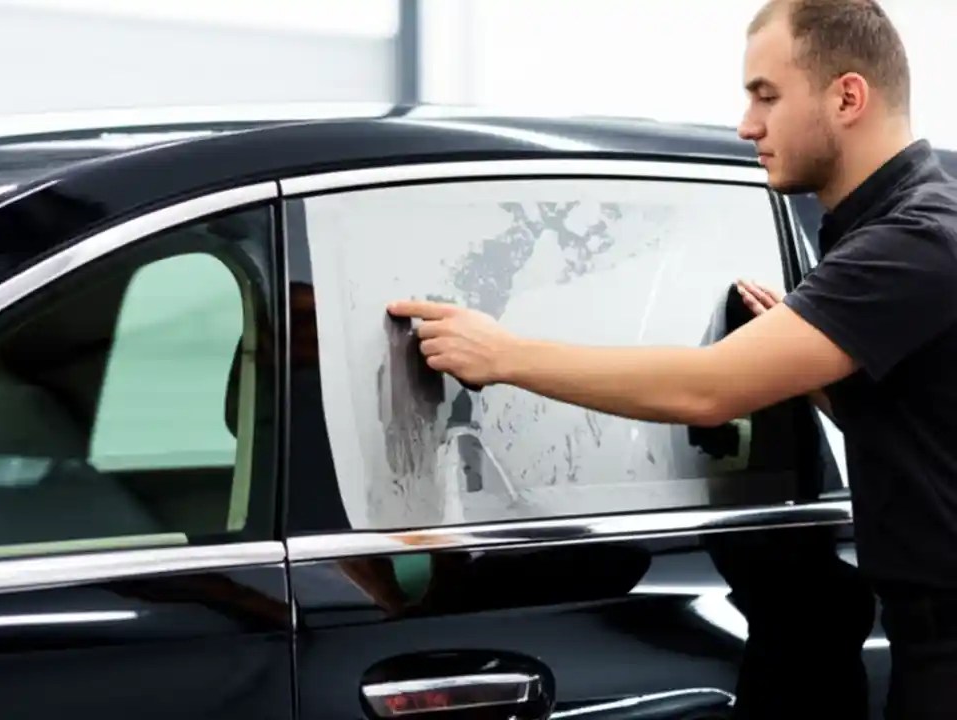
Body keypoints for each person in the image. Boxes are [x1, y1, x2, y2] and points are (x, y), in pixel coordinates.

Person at [387, 0, 957, 716]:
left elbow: (708, 392)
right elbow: (914, 419)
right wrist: (806, 356)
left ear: (848, 96)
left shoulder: (917, 240)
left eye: (766, 96)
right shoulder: (897, 233)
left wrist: (503, 353)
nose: (748, 124)